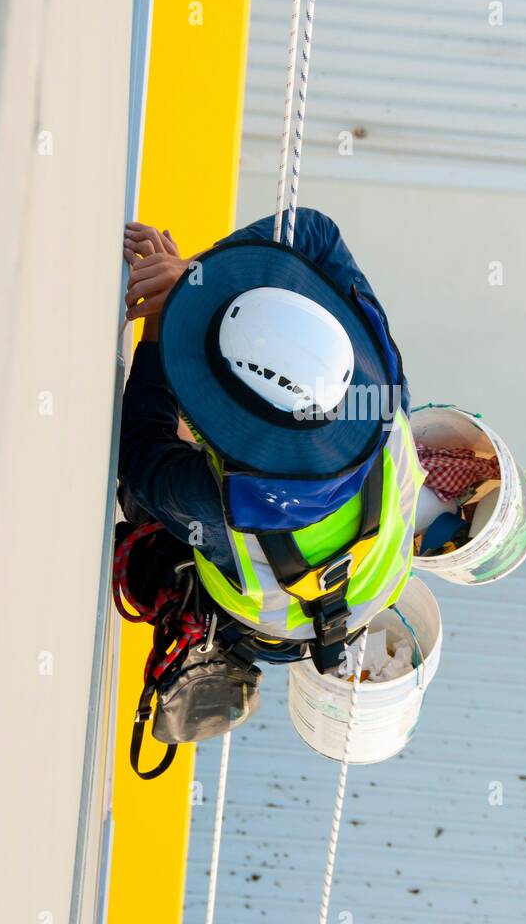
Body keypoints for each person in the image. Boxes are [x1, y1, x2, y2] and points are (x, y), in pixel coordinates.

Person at [117, 209, 424, 770]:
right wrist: (194, 279)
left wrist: (164, 327)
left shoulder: (221, 506)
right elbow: (313, 231)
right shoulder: (379, 387)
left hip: (267, 619)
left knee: (147, 514)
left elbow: (140, 455)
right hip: (370, 583)